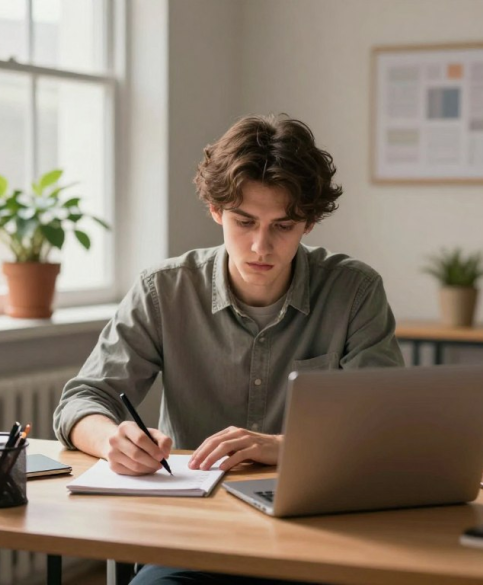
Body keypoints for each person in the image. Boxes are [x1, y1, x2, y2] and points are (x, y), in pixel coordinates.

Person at [53, 114, 405, 583]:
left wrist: (282, 447)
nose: (262, 246)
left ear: (310, 222)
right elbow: (81, 399)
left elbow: (384, 428)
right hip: (193, 533)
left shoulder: (355, 291)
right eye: (244, 221)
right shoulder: (164, 291)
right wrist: (111, 441)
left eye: (283, 225)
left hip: (320, 530)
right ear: (216, 210)